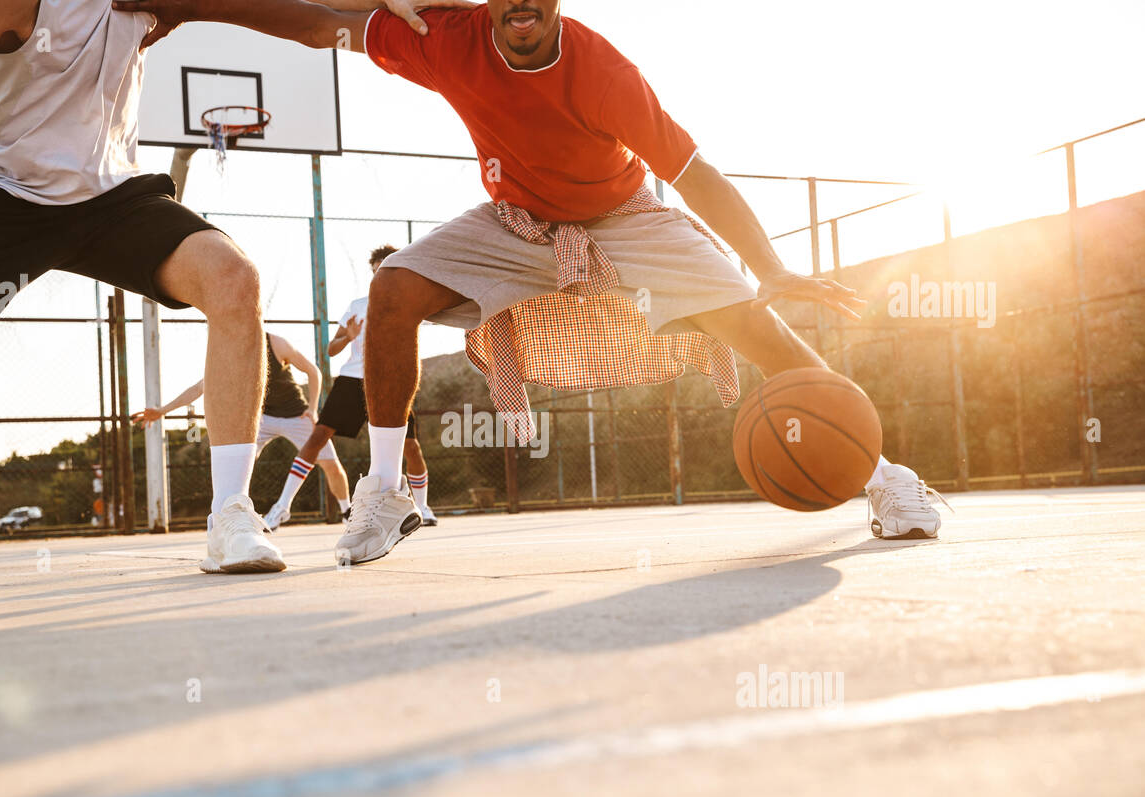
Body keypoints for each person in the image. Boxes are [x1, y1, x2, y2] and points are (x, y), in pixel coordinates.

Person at [115, 0, 946, 565]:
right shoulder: (451, 40)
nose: (520, 7)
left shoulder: (601, 71)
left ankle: (887, 478)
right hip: (516, 222)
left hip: (626, 216)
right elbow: (320, 20)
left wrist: (772, 269)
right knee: (397, 292)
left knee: (762, 329)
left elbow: (694, 174)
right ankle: (383, 494)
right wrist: (191, 7)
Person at [0, 0, 458, 574]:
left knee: (233, 278)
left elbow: (305, 15)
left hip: (114, 200)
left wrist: (388, 5)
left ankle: (230, 517)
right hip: (3, 198)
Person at [265, 245, 439, 529]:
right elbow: (332, 349)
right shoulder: (358, 306)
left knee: (411, 448)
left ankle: (422, 507)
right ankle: (281, 507)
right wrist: (348, 336)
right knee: (318, 436)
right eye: (375, 271)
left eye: (385, 270)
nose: (379, 276)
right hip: (353, 379)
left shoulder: (408, 302)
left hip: (390, 381)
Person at [132, 330, 353, 520]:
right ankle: (235, 518)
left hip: (296, 414)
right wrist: (162, 411)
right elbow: (201, 387)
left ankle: (346, 513)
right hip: (261, 419)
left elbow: (313, 371)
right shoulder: (231, 352)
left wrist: (312, 408)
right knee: (238, 466)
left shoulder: (276, 343)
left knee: (331, 465)